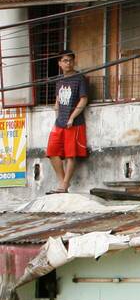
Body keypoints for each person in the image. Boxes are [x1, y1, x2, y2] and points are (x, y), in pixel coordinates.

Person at [45, 50, 90, 193]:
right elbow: (58, 98)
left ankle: (64, 185)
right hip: (60, 122)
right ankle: (62, 183)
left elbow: (84, 99)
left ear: (74, 62)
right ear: (59, 63)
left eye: (70, 60)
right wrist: (57, 109)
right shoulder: (59, 79)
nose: (68, 63)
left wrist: (72, 117)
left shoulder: (80, 78)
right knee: (52, 151)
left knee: (71, 154)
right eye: (65, 60)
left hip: (74, 123)